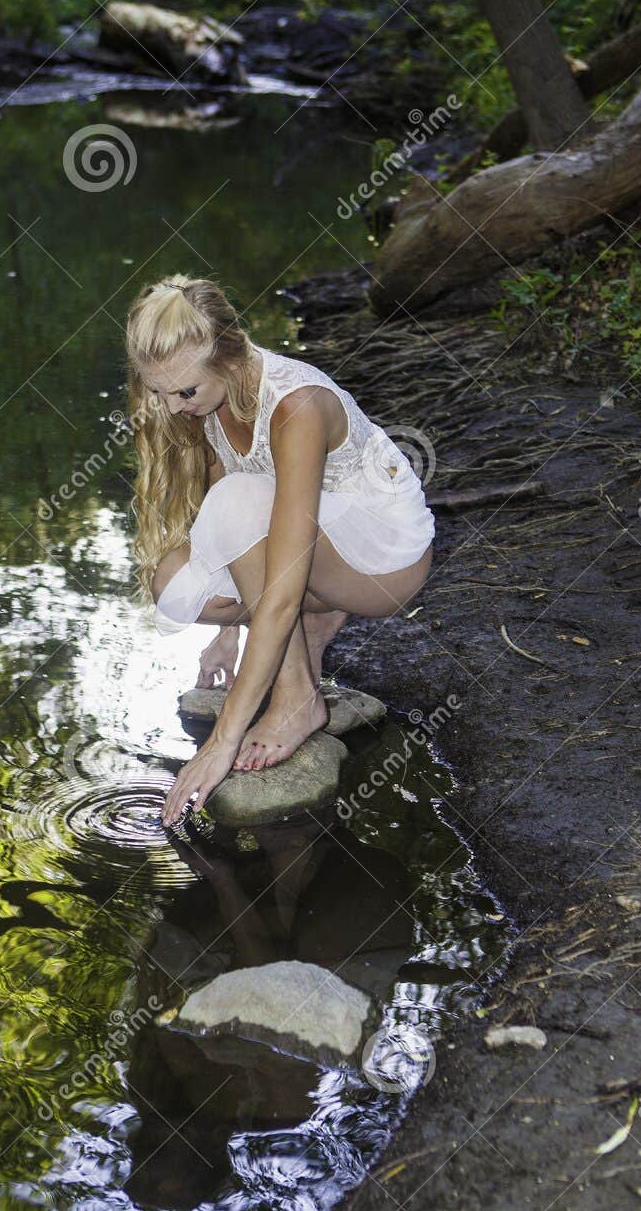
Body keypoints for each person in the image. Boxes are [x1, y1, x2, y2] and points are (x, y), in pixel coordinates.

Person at [125, 274, 435, 825]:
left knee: (244, 505)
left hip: (383, 556)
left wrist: (223, 741)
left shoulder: (297, 405)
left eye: (183, 392)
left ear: (227, 357)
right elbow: (227, 519)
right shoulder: (216, 400)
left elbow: (275, 570)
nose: (172, 408)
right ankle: (310, 637)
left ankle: (299, 701)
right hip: (315, 540)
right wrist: (227, 633)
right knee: (172, 580)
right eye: (158, 393)